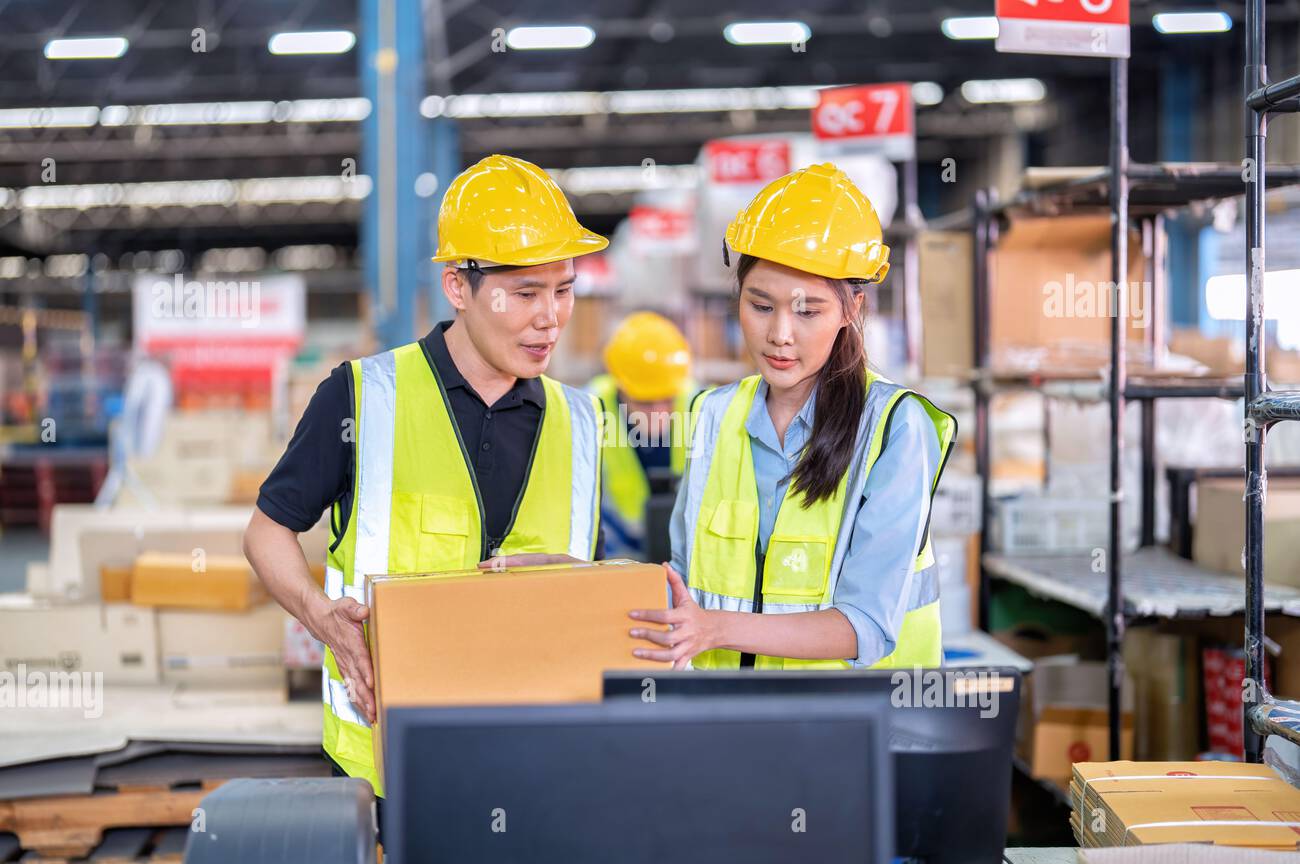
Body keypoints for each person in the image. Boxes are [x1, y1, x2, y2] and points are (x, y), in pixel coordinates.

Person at [244, 154, 609, 797]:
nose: (550, 317)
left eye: (564, 288)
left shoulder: (582, 422)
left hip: (534, 763)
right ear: (458, 286)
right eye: (525, 293)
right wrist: (320, 615)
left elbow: (591, 584)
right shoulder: (362, 398)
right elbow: (267, 530)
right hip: (384, 767)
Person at [626, 162, 957, 670]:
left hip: (856, 733)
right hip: (733, 726)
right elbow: (683, 583)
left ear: (852, 308)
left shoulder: (895, 429)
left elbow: (865, 625)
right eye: (761, 306)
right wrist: (581, 577)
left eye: (807, 312)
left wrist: (714, 628)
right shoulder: (714, 414)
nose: (780, 334)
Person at [586, 312, 695, 557]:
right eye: (645, 403)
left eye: (667, 401)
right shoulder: (589, 412)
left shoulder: (701, 407)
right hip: (615, 559)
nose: (658, 414)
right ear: (620, 387)